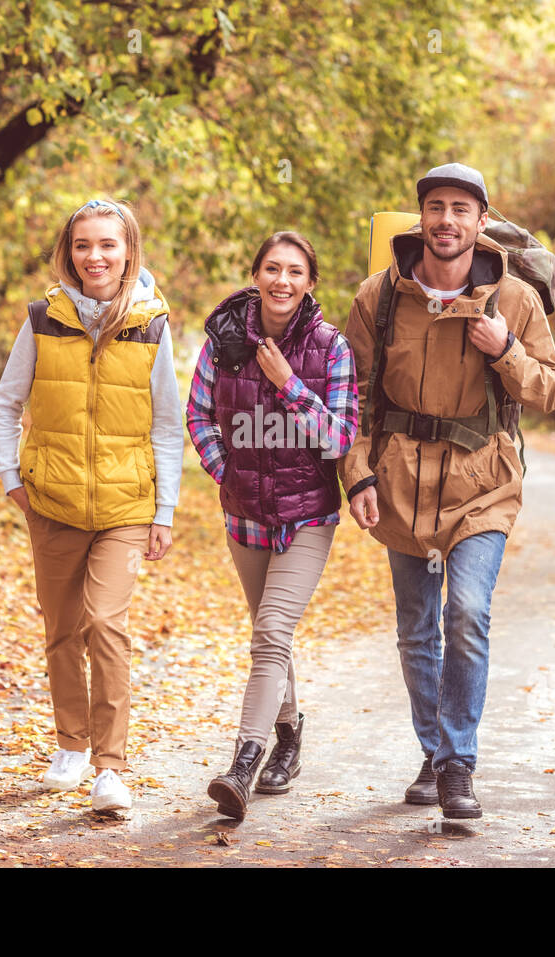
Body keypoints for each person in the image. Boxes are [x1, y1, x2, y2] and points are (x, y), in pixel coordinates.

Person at [341, 163, 555, 818]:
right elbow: (348, 398)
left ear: (481, 221)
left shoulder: (516, 300)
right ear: (421, 218)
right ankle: (436, 751)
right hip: (400, 481)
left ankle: (457, 763)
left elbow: (550, 390)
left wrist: (506, 351)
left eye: (461, 209)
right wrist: (355, 473)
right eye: (435, 207)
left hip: (483, 484)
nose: (446, 220)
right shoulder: (378, 297)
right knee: (417, 628)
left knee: (466, 611)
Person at [0, 198, 183, 813]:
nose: (94, 256)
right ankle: (71, 746)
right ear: (68, 252)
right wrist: (11, 477)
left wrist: (165, 512)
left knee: (105, 622)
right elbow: (6, 404)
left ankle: (110, 768)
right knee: (61, 629)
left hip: (126, 504)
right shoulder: (43, 319)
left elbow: (167, 426)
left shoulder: (152, 324)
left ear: (128, 250)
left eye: (107, 244)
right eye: (83, 245)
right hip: (52, 499)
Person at [186, 231, 358, 820]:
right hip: (245, 515)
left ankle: (244, 762)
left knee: (271, 630)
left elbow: (338, 437)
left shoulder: (330, 347)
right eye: (272, 269)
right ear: (256, 274)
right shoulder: (224, 339)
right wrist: (224, 469)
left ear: (310, 283)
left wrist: (289, 384)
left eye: (295, 272)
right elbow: (199, 412)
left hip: (307, 514)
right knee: (270, 635)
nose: (282, 281)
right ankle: (290, 736)